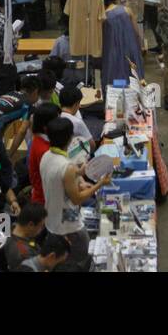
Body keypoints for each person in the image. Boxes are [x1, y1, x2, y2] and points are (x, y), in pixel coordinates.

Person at [40, 115, 110, 271]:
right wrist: (99, 184)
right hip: (68, 223)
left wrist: (79, 173)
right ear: (70, 137)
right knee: (81, 261)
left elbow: (58, 181)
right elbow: (77, 199)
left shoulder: (46, 156)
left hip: (52, 219)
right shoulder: (67, 166)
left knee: (59, 263)